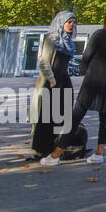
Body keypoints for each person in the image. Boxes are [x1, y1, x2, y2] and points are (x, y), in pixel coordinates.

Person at [41, 4, 106, 166]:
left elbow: (87, 56)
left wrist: (83, 70)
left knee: (75, 118)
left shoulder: (100, 34)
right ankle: (99, 154)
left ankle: (55, 156)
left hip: (94, 82)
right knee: (105, 119)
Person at [30, 11, 76, 157]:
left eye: (74, 22)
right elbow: (44, 62)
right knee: (47, 115)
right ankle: (41, 148)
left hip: (64, 80)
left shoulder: (69, 42)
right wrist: (51, 79)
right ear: (61, 23)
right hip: (51, 81)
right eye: (69, 22)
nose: (72, 25)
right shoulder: (51, 40)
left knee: (63, 114)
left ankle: (58, 146)